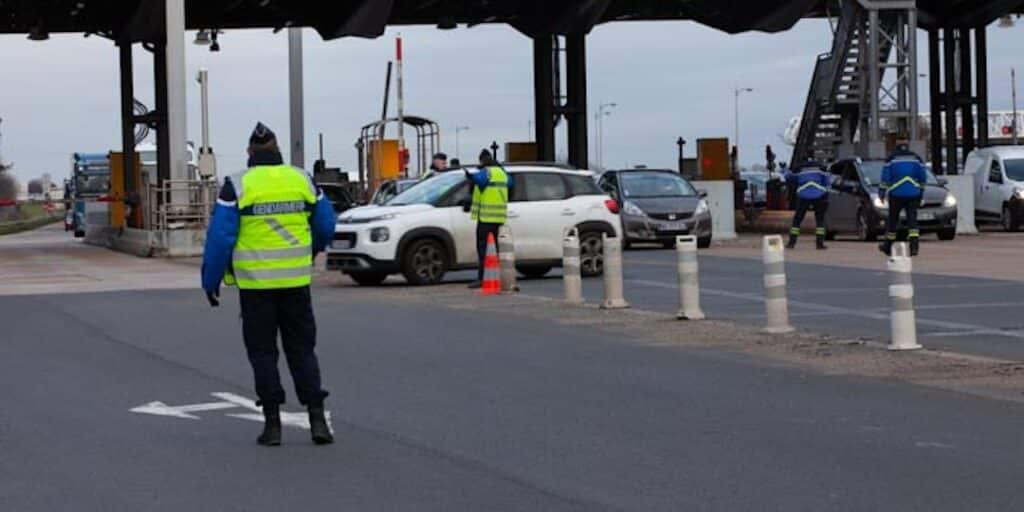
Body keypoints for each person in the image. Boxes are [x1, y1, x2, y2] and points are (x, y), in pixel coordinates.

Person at [201, 122, 337, 447]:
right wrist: (312, 249)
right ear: (278, 151)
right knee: (302, 349)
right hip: (295, 282)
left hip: (256, 287)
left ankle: (273, 425)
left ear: (250, 153)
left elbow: (220, 238)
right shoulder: (301, 179)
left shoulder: (237, 185)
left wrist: (211, 279)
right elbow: (326, 225)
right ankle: (317, 419)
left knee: (263, 353)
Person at [464, 149, 513, 289]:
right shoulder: (502, 173)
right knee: (495, 250)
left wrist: (470, 175)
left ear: (482, 161)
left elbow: (478, 179)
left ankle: (482, 278)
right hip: (499, 218)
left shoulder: (487, 172)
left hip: (486, 218)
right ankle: (495, 276)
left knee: (483, 250)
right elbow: (510, 183)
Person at [879, 143, 928, 257]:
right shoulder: (916, 158)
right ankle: (914, 248)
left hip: (896, 193)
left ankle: (888, 246)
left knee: (893, 221)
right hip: (913, 193)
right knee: (912, 221)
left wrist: (881, 192)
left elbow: (885, 177)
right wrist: (920, 190)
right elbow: (923, 176)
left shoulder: (891, 159)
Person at [785, 160, 831, 250]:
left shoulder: (800, 172)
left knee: (797, 220)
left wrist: (786, 169)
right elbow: (828, 182)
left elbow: (788, 177)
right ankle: (820, 244)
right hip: (819, 196)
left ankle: (791, 243)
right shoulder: (822, 171)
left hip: (803, 196)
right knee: (820, 220)